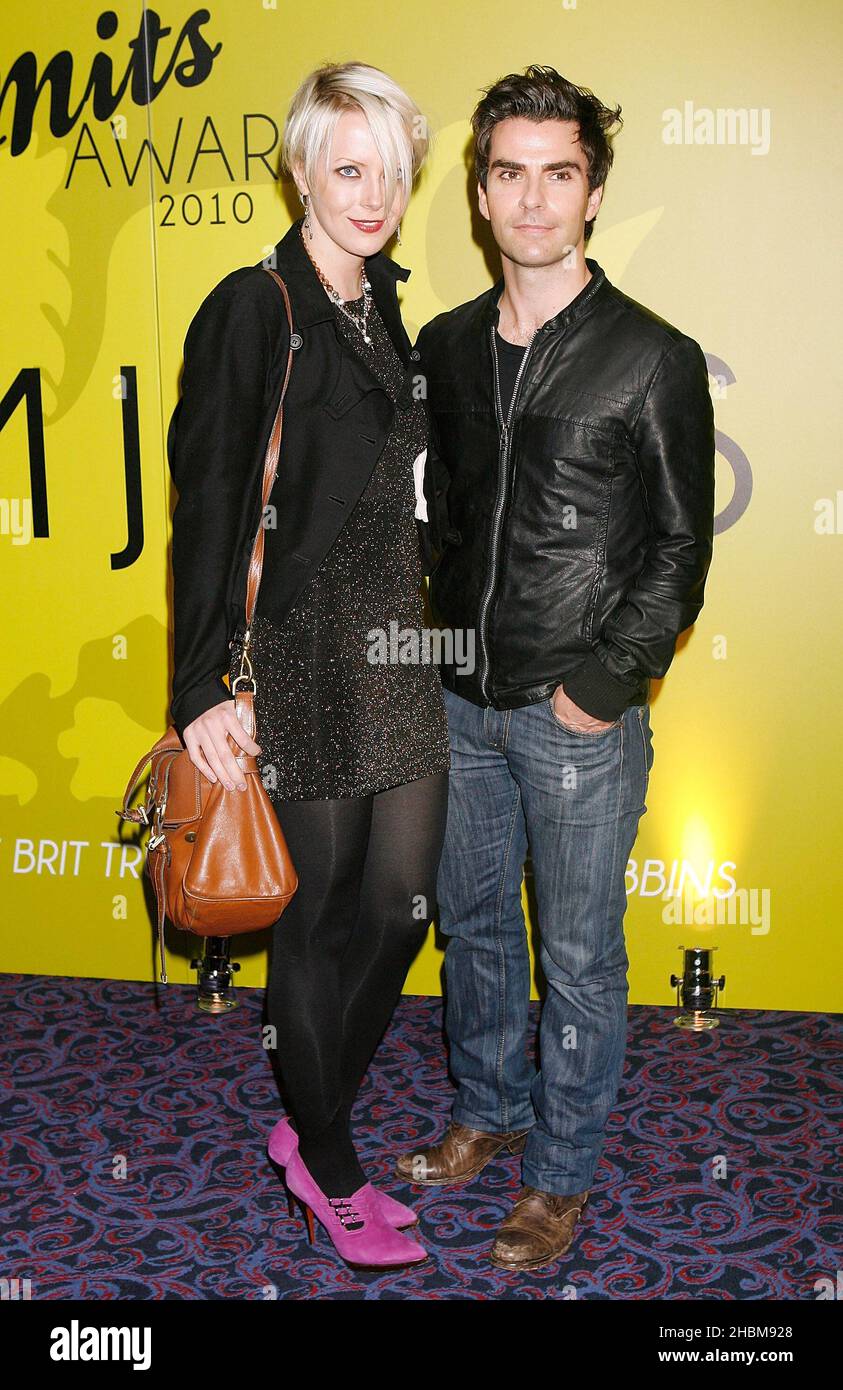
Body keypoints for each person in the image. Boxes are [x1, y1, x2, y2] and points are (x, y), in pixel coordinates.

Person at [397, 65, 716, 1271]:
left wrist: (603, 684)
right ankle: (489, 1110)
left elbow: (680, 553)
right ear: (480, 193)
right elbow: (435, 520)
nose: (533, 199)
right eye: (510, 173)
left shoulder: (652, 356)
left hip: (574, 711)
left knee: (578, 957)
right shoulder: (444, 346)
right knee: (474, 924)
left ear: (592, 194)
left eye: (559, 174)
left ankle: (561, 1177)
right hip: (457, 698)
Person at [167, 61, 452, 1270]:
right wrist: (199, 686)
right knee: (318, 913)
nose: (372, 195)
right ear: (300, 173)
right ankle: (327, 1160)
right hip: (301, 651)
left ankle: (311, 1116)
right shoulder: (258, 306)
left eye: (391, 171)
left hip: (398, 644)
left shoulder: (386, 306)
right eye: (347, 168)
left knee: (401, 907)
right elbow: (208, 503)